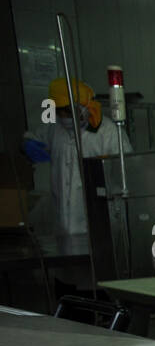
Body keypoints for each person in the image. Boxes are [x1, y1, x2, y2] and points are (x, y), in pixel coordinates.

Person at [38, 78, 133, 242]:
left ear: (83, 107)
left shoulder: (108, 133)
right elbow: (36, 137)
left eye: (67, 111)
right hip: (63, 224)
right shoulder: (54, 128)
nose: (63, 116)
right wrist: (27, 143)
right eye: (58, 111)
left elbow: (128, 172)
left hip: (98, 223)